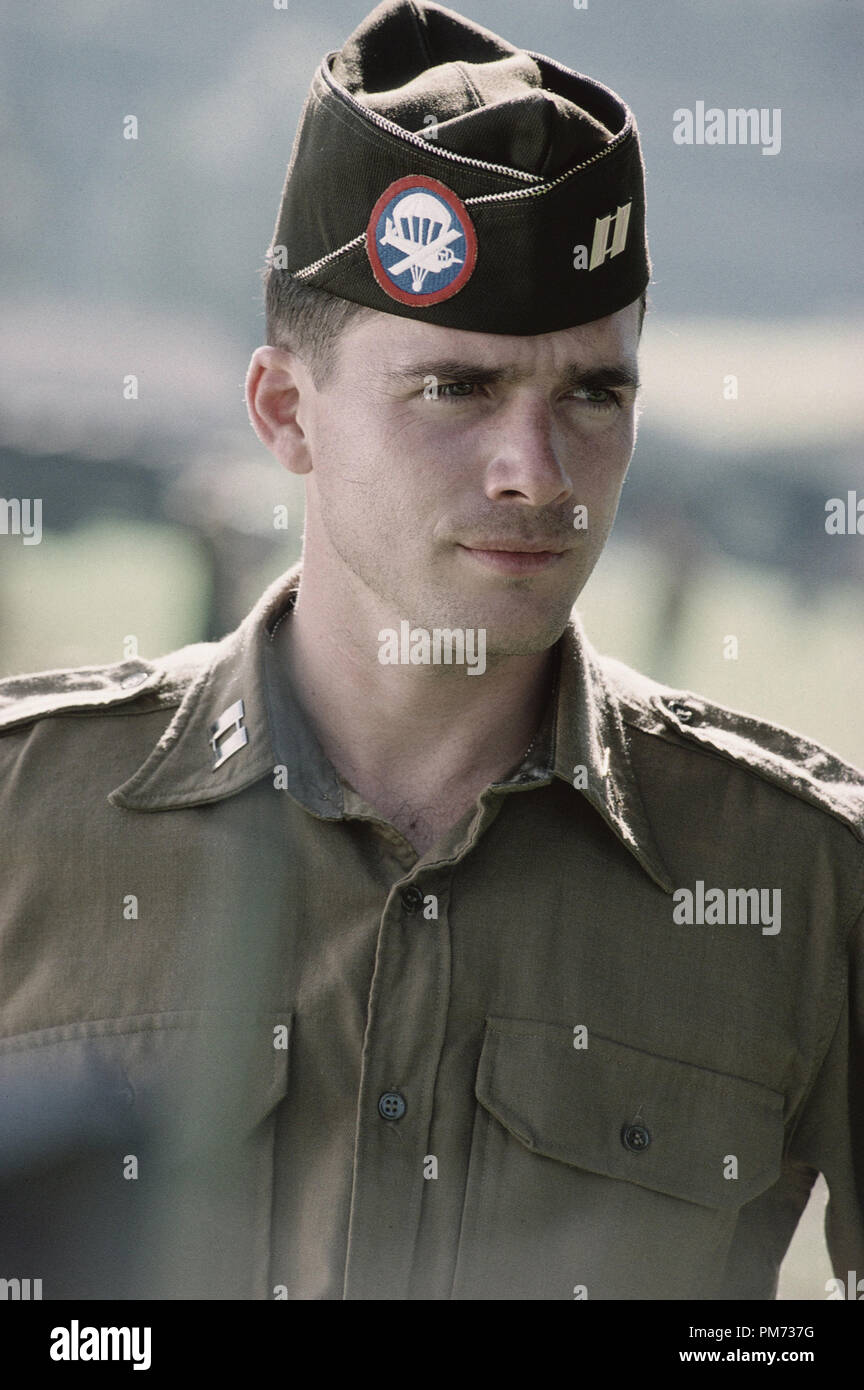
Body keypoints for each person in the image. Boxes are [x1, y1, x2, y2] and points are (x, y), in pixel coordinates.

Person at [0, 0, 861, 1302]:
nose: (536, 471)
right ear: (289, 412)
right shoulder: (23, 822)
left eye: (592, 392)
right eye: (455, 389)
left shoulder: (804, 879)